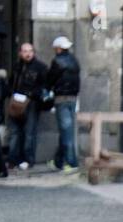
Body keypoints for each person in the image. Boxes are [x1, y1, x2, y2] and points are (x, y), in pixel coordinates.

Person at [7, 43, 48, 170]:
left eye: (30, 51)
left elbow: (44, 86)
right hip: (16, 102)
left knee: (29, 132)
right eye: (25, 51)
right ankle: (13, 159)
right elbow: (11, 82)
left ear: (34, 52)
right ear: (20, 53)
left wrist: (32, 94)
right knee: (14, 132)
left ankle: (28, 159)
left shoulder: (40, 67)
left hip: (31, 102)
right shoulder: (17, 66)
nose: (28, 53)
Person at [45, 36, 79, 173]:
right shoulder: (75, 61)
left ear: (58, 48)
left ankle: (71, 162)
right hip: (73, 98)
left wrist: (46, 91)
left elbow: (50, 79)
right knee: (67, 131)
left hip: (61, 98)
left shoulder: (57, 61)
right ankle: (59, 161)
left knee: (66, 132)